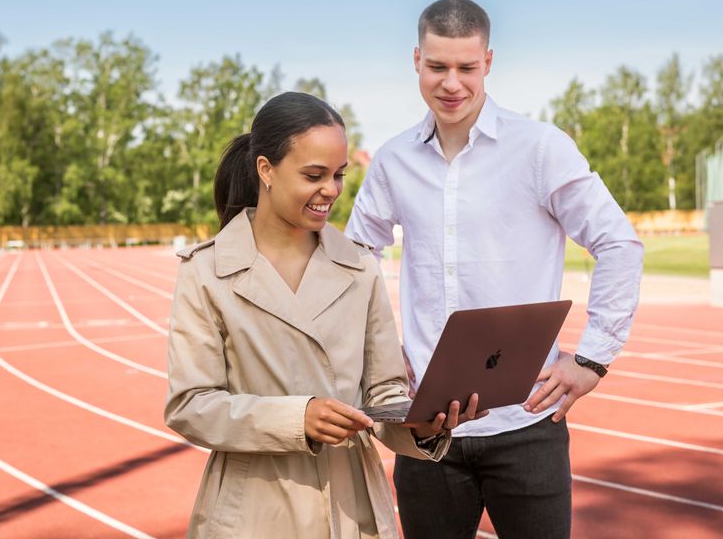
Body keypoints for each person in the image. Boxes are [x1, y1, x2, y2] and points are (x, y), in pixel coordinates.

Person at [346, 0, 644, 538]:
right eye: (437, 66)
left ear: (488, 61)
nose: (451, 83)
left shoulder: (541, 148)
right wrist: (381, 351)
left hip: (526, 423)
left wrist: (594, 358)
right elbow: (355, 258)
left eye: (466, 67)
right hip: (426, 428)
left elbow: (618, 242)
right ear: (416, 60)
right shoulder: (392, 159)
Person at [165, 92, 485, 539]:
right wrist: (298, 419)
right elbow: (191, 405)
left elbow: (383, 393)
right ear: (265, 170)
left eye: (338, 175)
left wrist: (422, 425)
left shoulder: (360, 266)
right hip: (251, 512)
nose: (331, 190)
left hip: (352, 507)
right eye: (314, 175)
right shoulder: (206, 270)